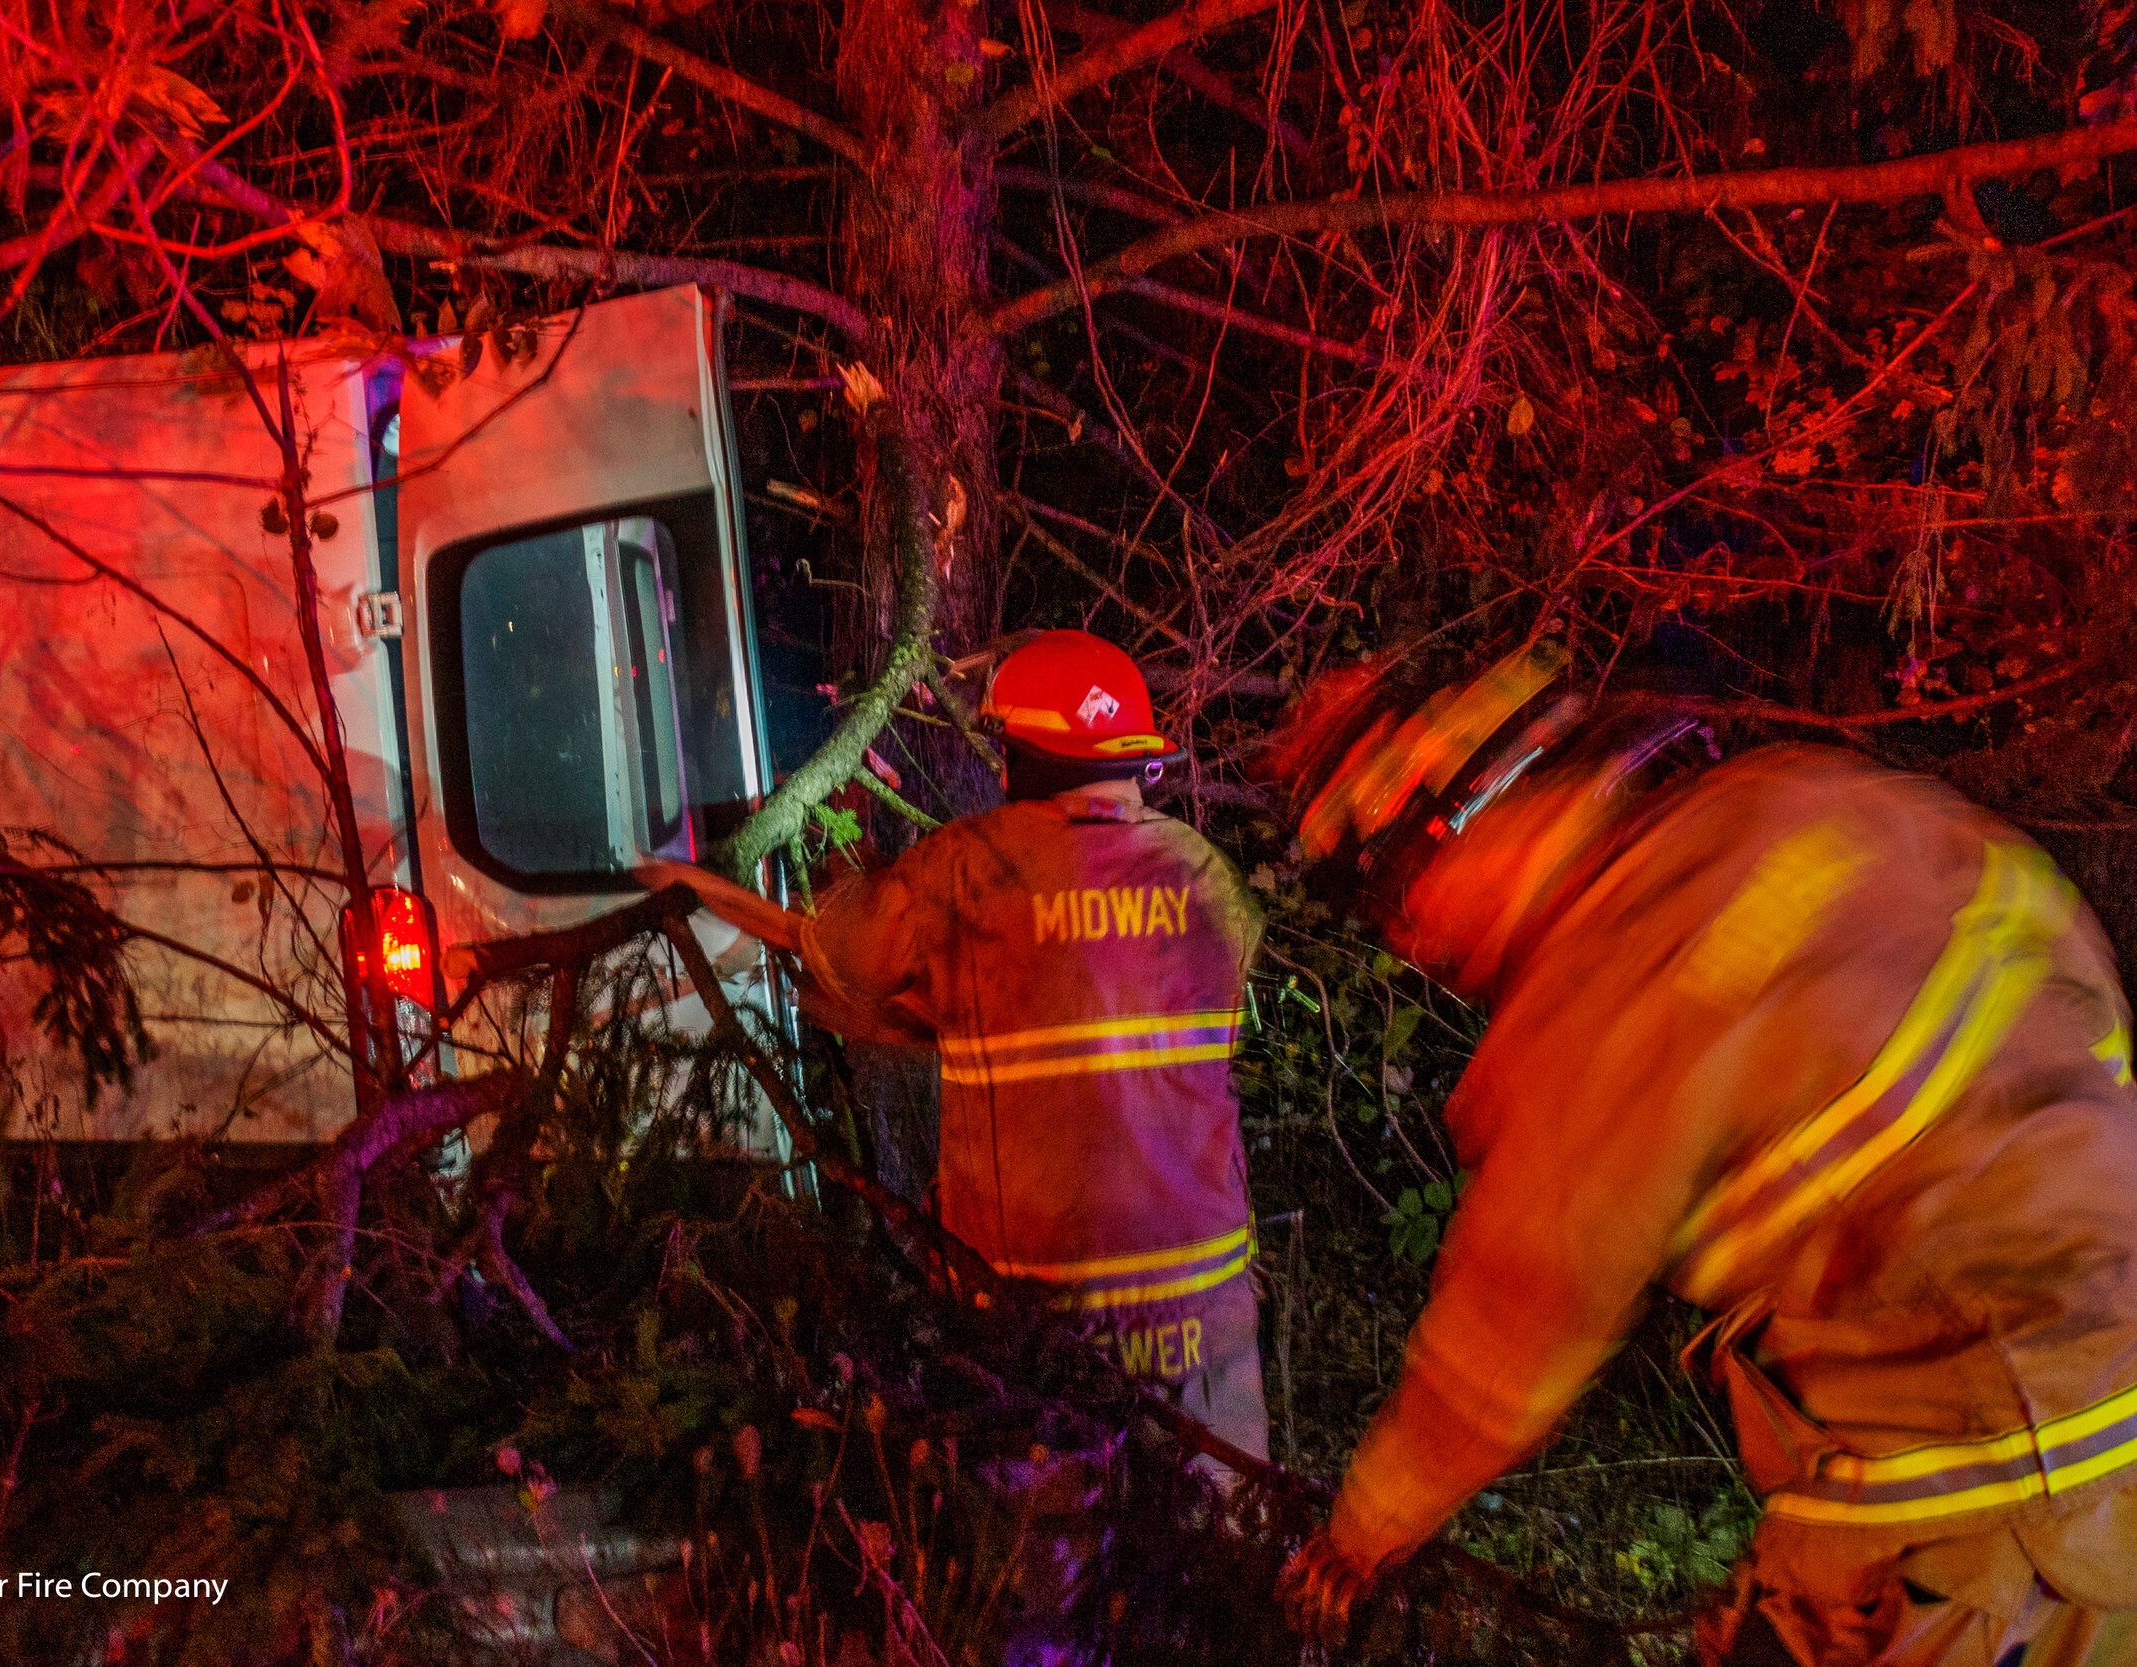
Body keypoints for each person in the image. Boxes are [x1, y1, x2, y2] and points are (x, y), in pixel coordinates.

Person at [1264, 642, 2137, 1666]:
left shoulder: (1613, 978)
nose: (1417, 941)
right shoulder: (1798, 802)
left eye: (1397, 901)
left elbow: (1510, 1333)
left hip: (1982, 1505)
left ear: (1458, 830)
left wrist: (1360, 1534)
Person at [644, 629, 1270, 1462]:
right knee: (1220, 1542)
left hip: (1045, 1318)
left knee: (1055, 1555)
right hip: (1205, 1308)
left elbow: (840, 953)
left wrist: (707, 885)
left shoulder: (971, 873)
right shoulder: (1209, 880)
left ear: (1021, 753)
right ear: (1131, 759)